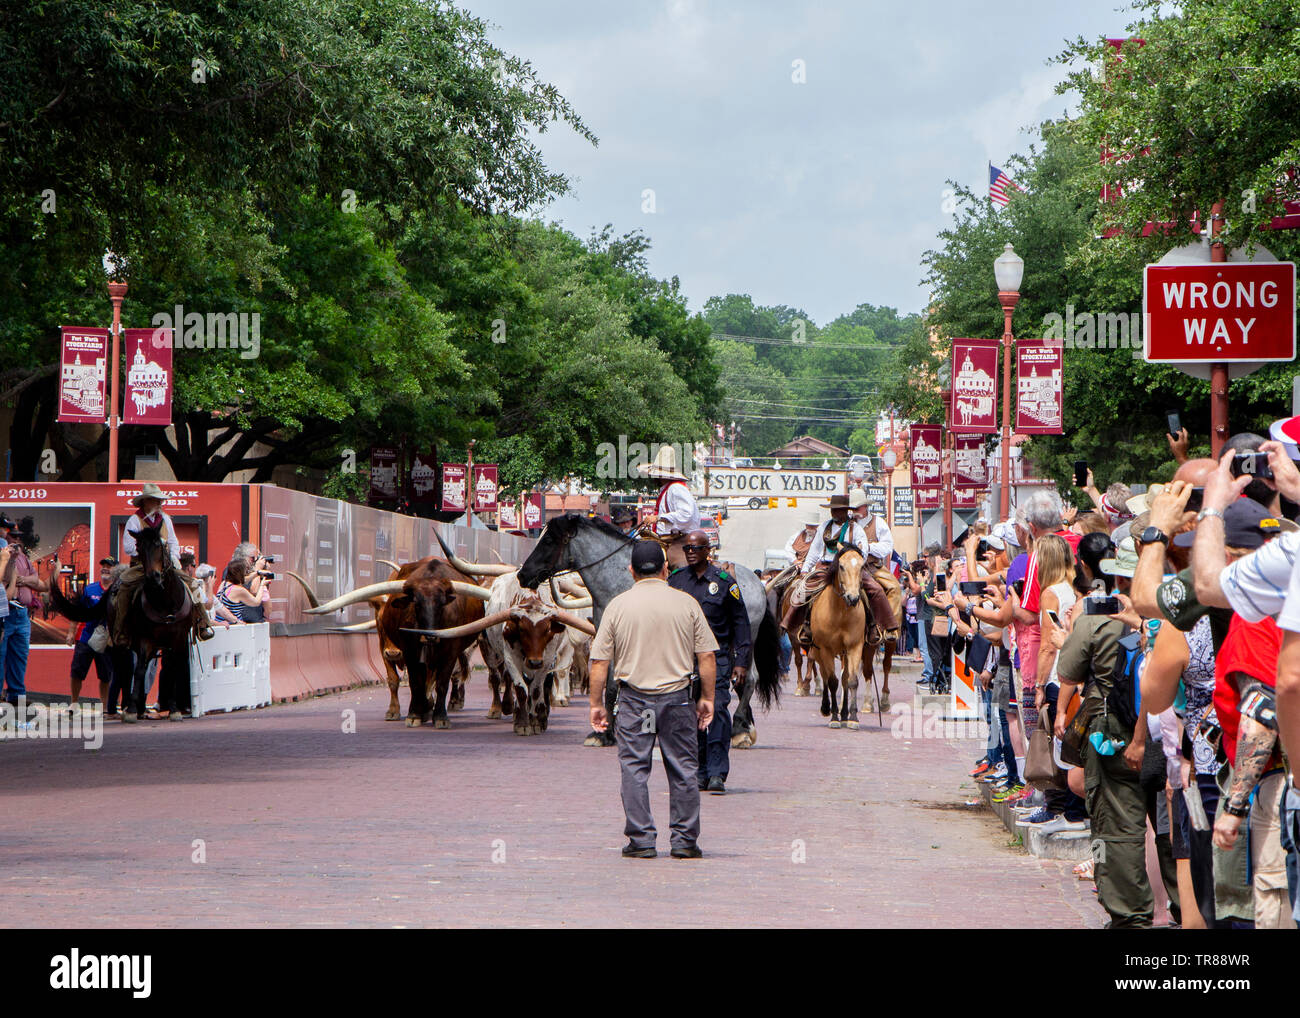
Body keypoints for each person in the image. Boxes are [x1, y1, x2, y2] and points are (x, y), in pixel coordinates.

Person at [588, 540, 718, 859]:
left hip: (635, 701)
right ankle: (684, 841)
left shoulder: (618, 606)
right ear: (665, 570)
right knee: (684, 768)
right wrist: (708, 699)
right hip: (677, 700)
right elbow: (707, 657)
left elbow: (600, 662)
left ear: (631, 571)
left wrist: (596, 704)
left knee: (634, 768)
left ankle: (642, 839)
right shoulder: (686, 603)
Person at [668, 530, 751, 795]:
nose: (690, 553)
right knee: (690, 716)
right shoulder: (676, 581)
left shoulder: (725, 583)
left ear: (708, 551)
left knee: (716, 713)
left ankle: (717, 773)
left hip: (717, 659)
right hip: (683, 660)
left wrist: (742, 662)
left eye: (696, 549)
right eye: (687, 549)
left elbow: (741, 623)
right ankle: (699, 771)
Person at [112, 483, 213, 645]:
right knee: (124, 586)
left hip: (165, 565)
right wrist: (148, 553)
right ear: (145, 502)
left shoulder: (165, 519)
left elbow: (173, 541)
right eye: (156, 500)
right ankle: (121, 629)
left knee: (193, 583)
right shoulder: (134, 520)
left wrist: (173, 557)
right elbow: (129, 547)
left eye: (160, 501)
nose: (160, 504)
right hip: (142, 565)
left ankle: (202, 622)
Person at [782, 494, 893, 640]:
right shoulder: (824, 527)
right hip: (825, 567)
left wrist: (853, 562)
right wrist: (805, 569)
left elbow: (863, 551)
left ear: (846, 511)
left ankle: (882, 627)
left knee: (875, 589)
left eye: (837, 510)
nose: (834, 513)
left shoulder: (856, 529)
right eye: (833, 510)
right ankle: (797, 624)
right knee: (804, 588)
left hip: (849, 568)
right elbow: (814, 551)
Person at [1, 516, 48, 709]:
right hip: (6, 611)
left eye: (18, 537)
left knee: (20, 656)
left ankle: (16, 696)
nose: (16, 541)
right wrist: (16, 577)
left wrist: (21, 580)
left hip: (22, 613)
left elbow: (38, 582)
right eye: (13, 536)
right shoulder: (4, 556)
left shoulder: (23, 557)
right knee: (1, 655)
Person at [67, 557, 118, 710]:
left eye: (109, 566)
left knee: (105, 675)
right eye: (103, 566)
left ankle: (105, 707)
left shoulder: (118, 590)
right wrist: (71, 632)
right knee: (77, 672)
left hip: (107, 640)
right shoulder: (90, 589)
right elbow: (78, 612)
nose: (105, 569)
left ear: (115, 570)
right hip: (86, 637)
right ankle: (74, 703)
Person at [848, 488, 901, 637]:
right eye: (852, 508)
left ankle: (890, 627)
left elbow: (887, 546)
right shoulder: (847, 523)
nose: (854, 510)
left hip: (872, 566)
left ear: (865, 506)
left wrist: (868, 547)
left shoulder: (878, 522)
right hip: (850, 567)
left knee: (894, 587)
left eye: (857, 507)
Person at [636, 445, 699, 569]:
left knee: (678, 566)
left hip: (681, 540)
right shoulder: (668, 489)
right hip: (669, 540)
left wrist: (658, 518)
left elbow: (686, 514)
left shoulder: (676, 488)